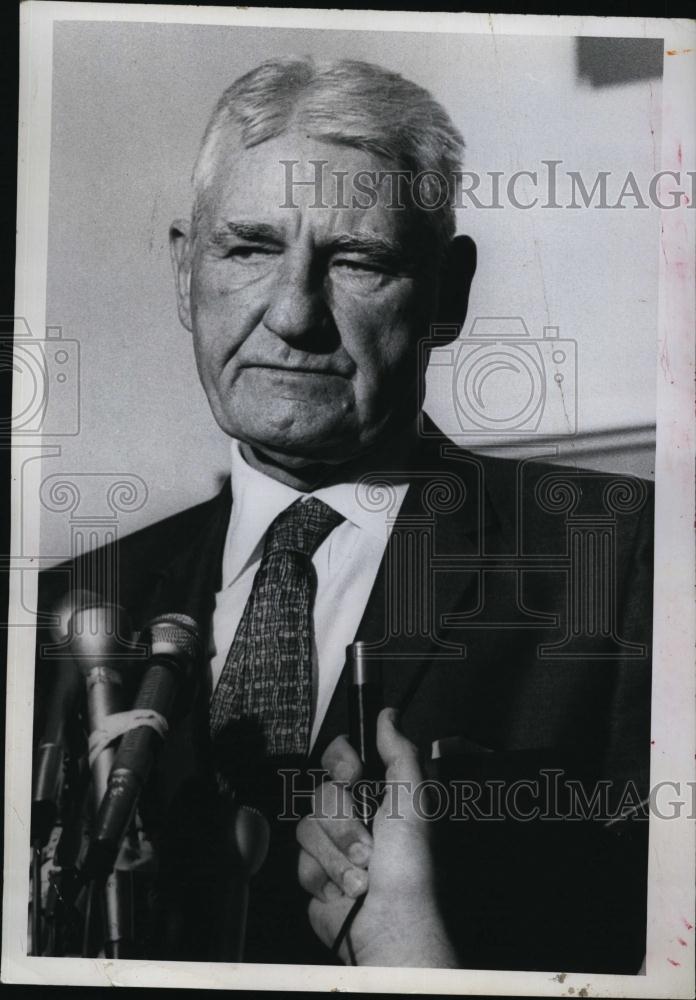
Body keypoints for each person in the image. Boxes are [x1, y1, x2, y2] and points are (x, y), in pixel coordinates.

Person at [32, 56, 653, 971]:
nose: (293, 313)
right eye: (247, 248)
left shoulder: (629, 556)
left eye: (358, 260)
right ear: (182, 270)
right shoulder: (65, 606)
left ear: (449, 292)